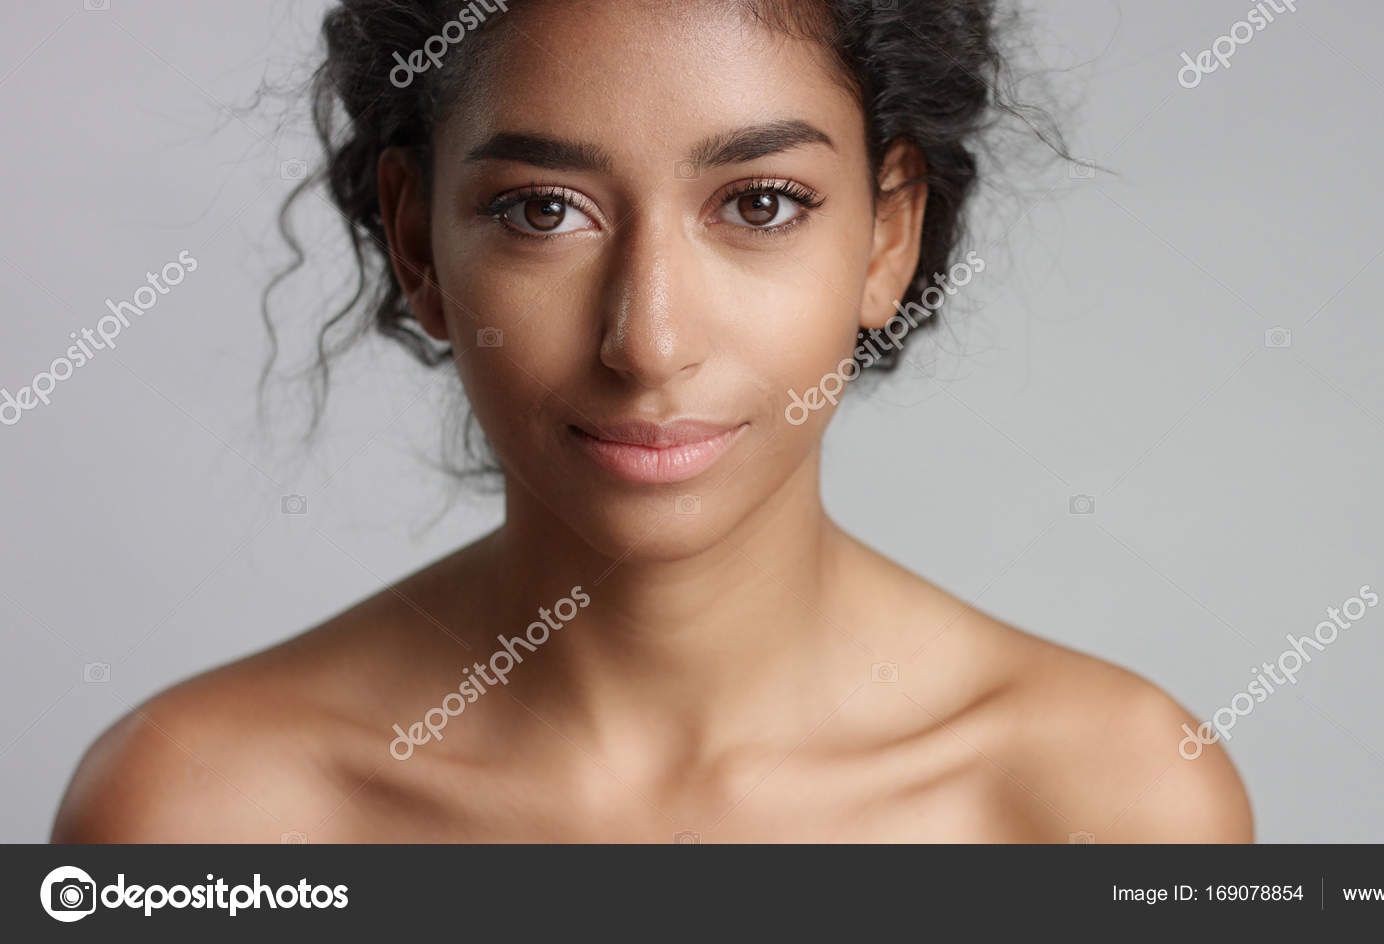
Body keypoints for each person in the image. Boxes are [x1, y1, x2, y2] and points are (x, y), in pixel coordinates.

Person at [54, 0, 1250, 843]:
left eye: (762, 202)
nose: (649, 337)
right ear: (418, 243)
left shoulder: (1106, 804)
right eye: (540, 210)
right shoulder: (200, 813)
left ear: (888, 236)